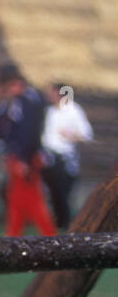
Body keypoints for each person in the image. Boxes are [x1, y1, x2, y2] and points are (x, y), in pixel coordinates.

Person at [0, 62, 55, 236]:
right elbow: (3, 128)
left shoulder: (28, 102)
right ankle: (14, 233)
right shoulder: (20, 102)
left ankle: (45, 234)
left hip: (25, 158)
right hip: (20, 156)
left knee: (30, 200)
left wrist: (23, 159)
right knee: (17, 200)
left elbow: (29, 132)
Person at [40, 82, 93, 229]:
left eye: (51, 92)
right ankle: (57, 225)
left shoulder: (73, 110)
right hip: (48, 157)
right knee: (53, 194)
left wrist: (70, 135)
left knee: (63, 194)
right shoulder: (49, 111)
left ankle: (67, 225)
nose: (48, 95)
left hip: (64, 158)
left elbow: (86, 135)